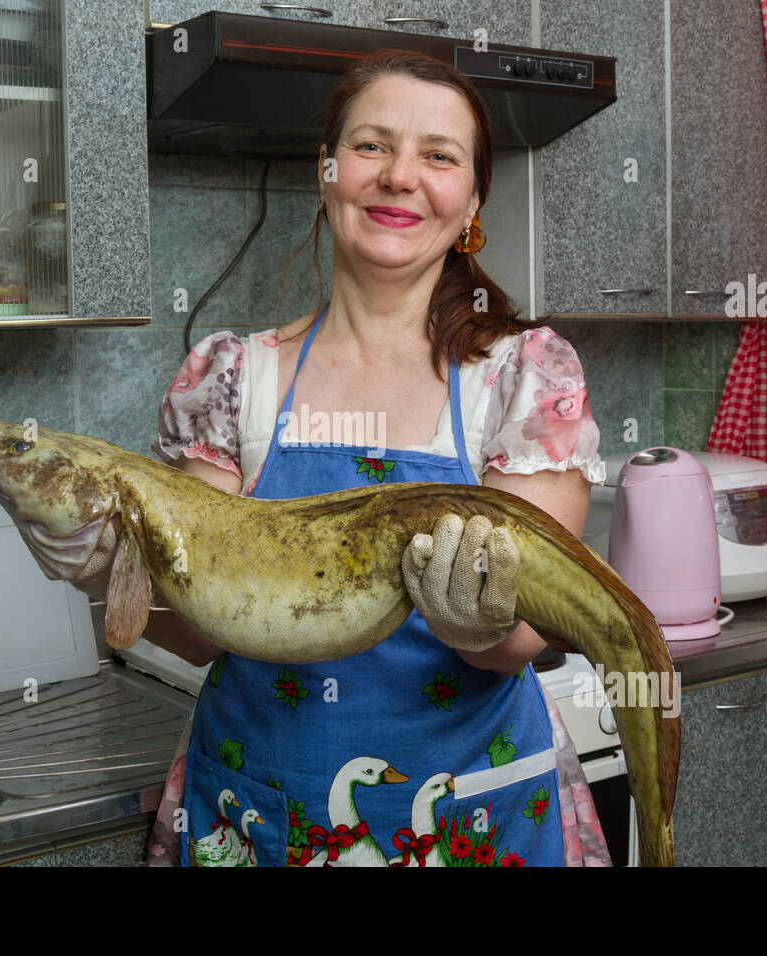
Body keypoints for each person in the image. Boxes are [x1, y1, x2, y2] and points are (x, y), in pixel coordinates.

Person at [143, 49, 610, 867]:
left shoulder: (525, 379)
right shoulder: (230, 379)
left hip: (474, 817)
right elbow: (191, 633)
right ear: (326, 174)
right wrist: (114, 578)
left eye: (438, 155)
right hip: (259, 814)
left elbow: (522, 639)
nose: (400, 176)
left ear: (470, 200)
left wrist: (482, 630)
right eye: (370, 146)